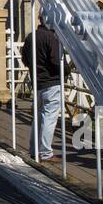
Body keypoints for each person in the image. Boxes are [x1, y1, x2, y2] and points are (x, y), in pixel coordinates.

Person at [20, 10, 63, 160]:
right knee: (49, 118)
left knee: (38, 118)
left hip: (37, 83)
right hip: (52, 82)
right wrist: (67, 70)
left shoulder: (30, 37)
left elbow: (25, 59)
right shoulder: (52, 38)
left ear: (39, 19)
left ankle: (33, 149)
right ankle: (45, 152)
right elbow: (56, 62)